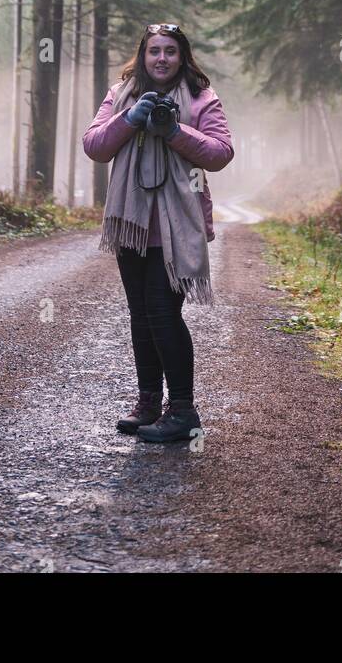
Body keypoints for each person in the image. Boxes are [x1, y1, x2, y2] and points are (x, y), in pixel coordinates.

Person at [82, 23, 234, 444]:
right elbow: (95, 146)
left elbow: (221, 153)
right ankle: (148, 402)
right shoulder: (121, 94)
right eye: (154, 51)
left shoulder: (202, 97)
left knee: (164, 313)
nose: (162, 58)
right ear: (143, 55)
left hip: (177, 225)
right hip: (132, 224)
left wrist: (173, 130)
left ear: (182, 56)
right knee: (140, 314)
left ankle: (183, 410)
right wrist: (130, 118)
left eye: (170, 51)